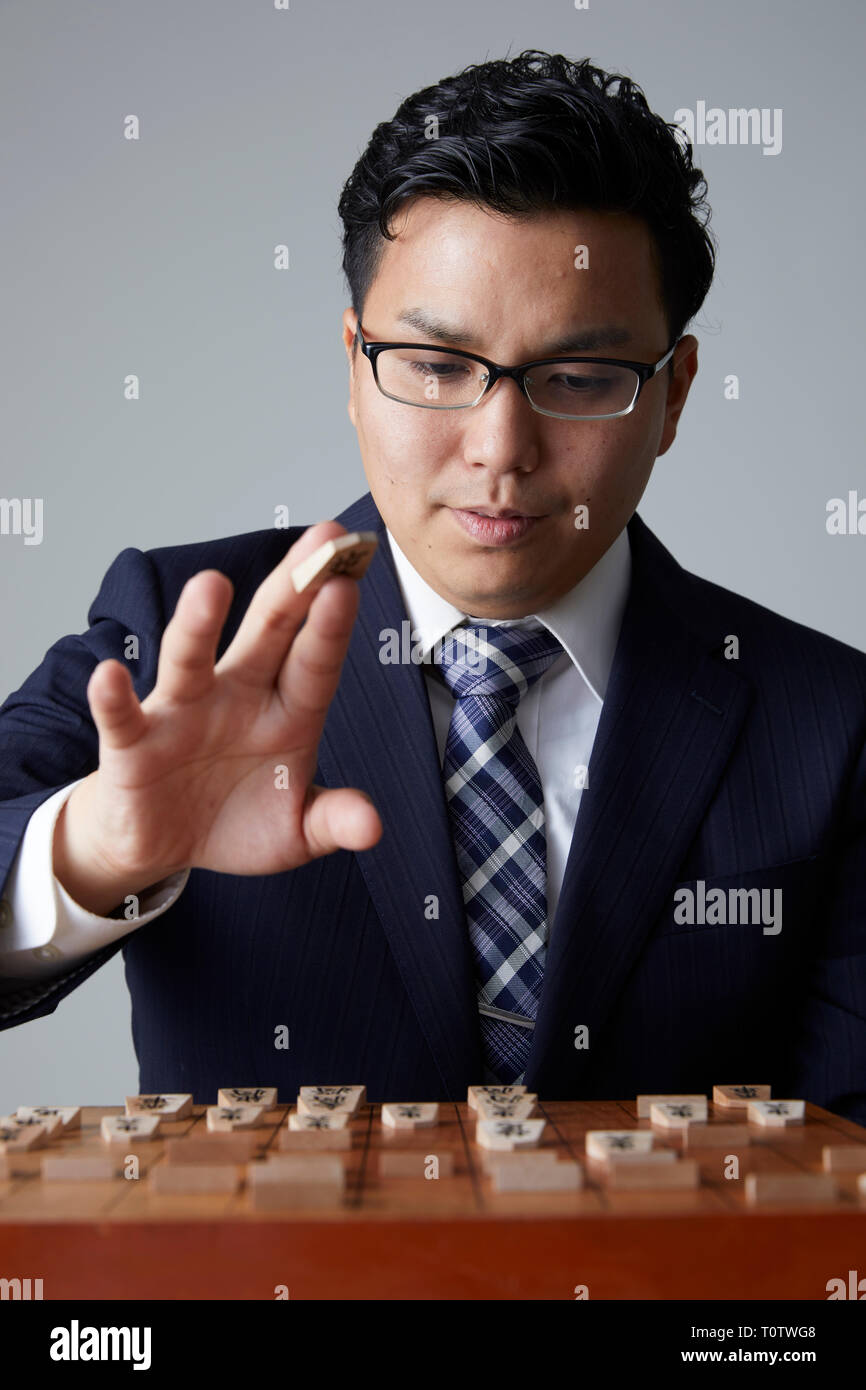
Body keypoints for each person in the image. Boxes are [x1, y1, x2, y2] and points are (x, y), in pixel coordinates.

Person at [1, 52, 863, 1119]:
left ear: (672, 395)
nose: (499, 449)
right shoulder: (180, 626)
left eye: (580, 379)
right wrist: (97, 849)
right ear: (354, 365)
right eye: (435, 367)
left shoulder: (828, 723)